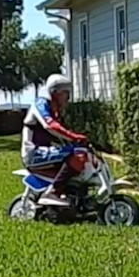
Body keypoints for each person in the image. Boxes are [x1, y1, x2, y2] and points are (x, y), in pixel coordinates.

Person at [21, 73, 89, 206]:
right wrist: (74, 136)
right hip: (34, 153)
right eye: (66, 93)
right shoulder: (40, 104)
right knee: (78, 154)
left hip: (43, 152)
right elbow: (50, 125)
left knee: (80, 154)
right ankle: (52, 192)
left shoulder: (55, 112)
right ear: (55, 92)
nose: (68, 97)